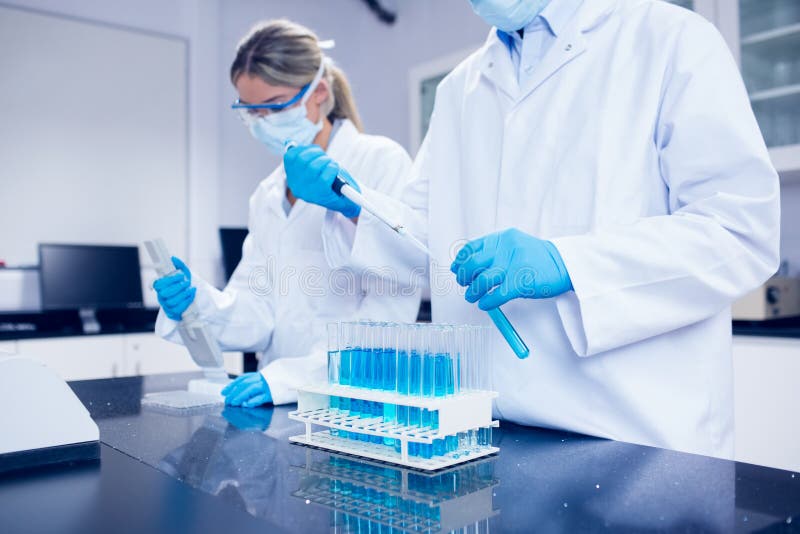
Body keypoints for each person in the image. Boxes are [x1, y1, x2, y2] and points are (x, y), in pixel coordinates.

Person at [282, 0, 780, 458]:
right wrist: (351, 204)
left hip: (639, 439)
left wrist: (570, 265)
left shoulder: (670, 39)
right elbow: (429, 240)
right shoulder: (461, 87)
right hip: (492, 434)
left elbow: (739, 230)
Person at [153, 19, 419, 407]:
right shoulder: (267, 194)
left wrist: (291, 380)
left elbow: (390, 312)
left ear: (319, 93)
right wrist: (198, 303)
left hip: (354, 399)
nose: (264, 123)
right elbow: (257, 309)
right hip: (276, 401)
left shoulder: (380, 161)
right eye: (251, 112)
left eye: (274, 106)